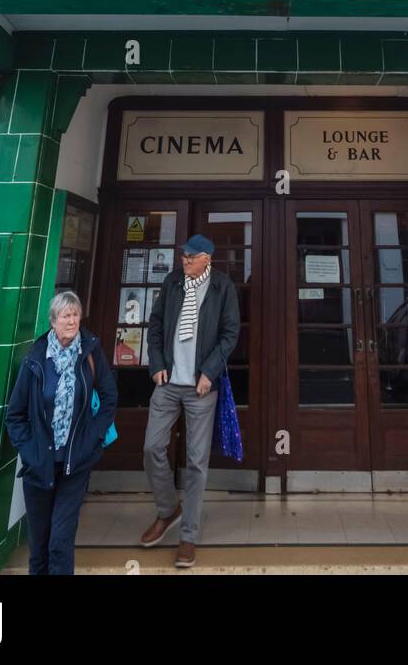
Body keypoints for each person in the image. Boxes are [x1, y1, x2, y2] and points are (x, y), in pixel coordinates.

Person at [141, 234, 240, 569]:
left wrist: (209, 372)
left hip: (201, 387)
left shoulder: (222, 288)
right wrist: (156, 365)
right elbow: (155, 326)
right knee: (152, 448)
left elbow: (230, 334)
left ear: (207, 259)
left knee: (197, 463)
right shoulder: (172, 283)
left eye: (191, 256)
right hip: (168, 383)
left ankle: (188, 536)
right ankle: (169, 509)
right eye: (183, 255)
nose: (184, 260)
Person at [5, 290, 117, 575]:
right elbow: (15, 415)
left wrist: (90, 440)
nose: (72, 321)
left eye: (76, 315)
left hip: (75, 463)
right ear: (53, 321)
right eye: (66, 316)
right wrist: (30, 452)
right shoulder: (36, 359)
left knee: (60, 541)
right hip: (39, 465)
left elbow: (109, 399)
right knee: (39, 545)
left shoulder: (90, 352)